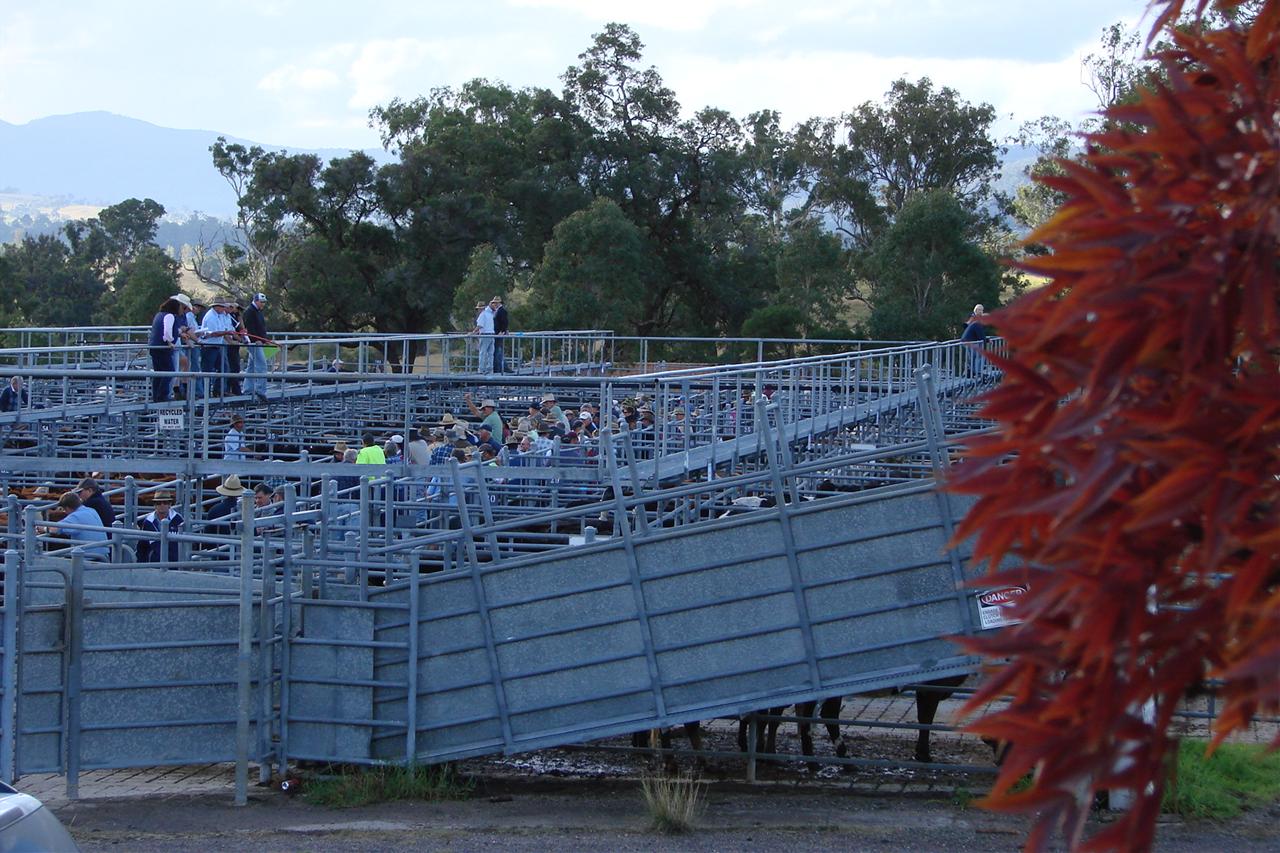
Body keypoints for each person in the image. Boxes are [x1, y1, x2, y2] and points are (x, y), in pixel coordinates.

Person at [148, 295, 187, 403]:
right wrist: (170, 342)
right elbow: (167, 331)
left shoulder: (160, 315)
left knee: (158, 373)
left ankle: (156, 396)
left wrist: (179, 333)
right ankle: (163, 395)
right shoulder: (170, 316)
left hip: (154, 346)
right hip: (162, 348)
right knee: (169, 371)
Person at [52, 492, 109, 560]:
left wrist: (43, 528)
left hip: (89, 559)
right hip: (104, 555)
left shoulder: (75, 517)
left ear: (67, 508)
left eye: (64, 510)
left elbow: (54, 528)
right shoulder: (91, 510)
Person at [199, 300, 237, 396]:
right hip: (209, 346)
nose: (224, 309)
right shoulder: (211, 317)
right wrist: (226, 333)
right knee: (207, 371)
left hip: (217, 346)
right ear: (217, 307)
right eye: (222, 307)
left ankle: (218, 391)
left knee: (223, 368)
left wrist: (226, 333)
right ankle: (205, 393)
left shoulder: (218, 316)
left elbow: (221, 330)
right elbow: (214, 333)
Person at [137, 491, 184, 562]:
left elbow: (185, 543)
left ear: (170, 504)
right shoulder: (148, 522)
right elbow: (142, 546)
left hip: (175, 564)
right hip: (154, 565)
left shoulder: (178, 520)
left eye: (165, 503)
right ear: (155, 505)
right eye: (158, 503)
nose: (162, 505)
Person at [242, 293, 270, 401]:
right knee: (262, 365)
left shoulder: (258, 312)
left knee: (252, 367)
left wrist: (265, 339)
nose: (263, 304)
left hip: (258, 342)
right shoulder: (250, 312)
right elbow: (250, 328)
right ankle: (260, 390)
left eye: (264, 302)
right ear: (256, 301)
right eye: (261, 302)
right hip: (254, 343)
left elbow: (261, 327)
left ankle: (248, 389)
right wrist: (256, 340)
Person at [206, 475, 248, 541]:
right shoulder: (246, 510)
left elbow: (207, 532)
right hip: (240, 545)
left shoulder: (214, 509)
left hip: (217, 545)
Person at [960, 303, 988, 373]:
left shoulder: (977, 321)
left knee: (973, 357)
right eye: (979, 310)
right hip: (969, 341)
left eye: (982, 310)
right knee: (979, 356)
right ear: (976, 310)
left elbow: (980, 335)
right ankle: (977, 372)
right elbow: (981, 336)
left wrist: (986, 340)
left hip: (969, 341)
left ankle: (972, 372)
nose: (981, 312)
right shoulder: (975, 320)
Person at [473, 299, 496, 373]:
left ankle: (481, 369)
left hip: (485, 335)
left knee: (483, 352)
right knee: (490, 353)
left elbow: (480, 325)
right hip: (492, 335)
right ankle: (490, 369)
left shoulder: (482, 315)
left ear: (480, 309)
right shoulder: (490, 314)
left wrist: (473, 332)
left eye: (478, 309)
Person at [490, 295, 508, 373]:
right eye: (494, 303)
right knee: (496, 350)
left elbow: (505, 322)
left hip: (499, 334)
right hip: (496, 333)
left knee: (498, 350)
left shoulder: (502, 311)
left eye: (496, 303)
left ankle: (499, 368)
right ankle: (499, 367)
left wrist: (502, 331)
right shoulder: (496, 311)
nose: (495, 304)